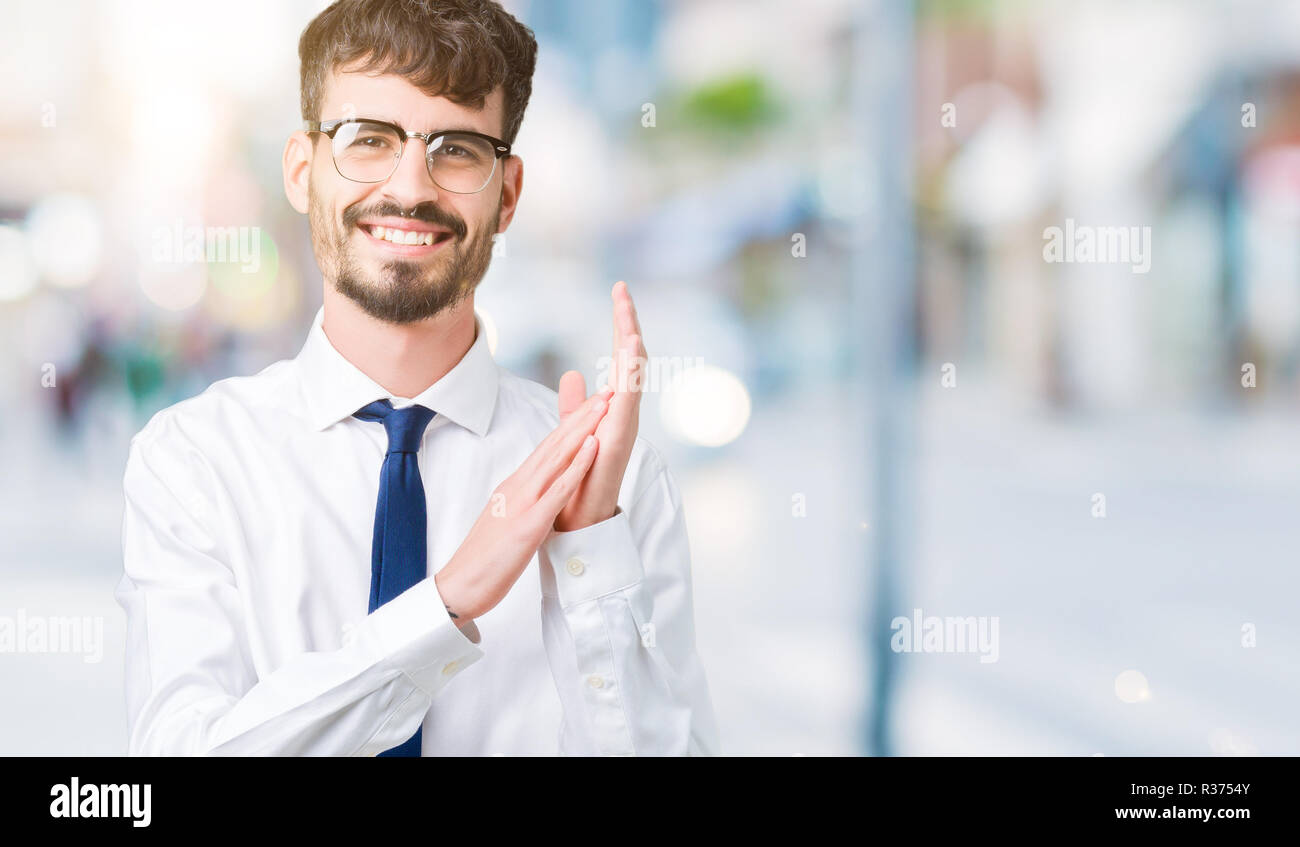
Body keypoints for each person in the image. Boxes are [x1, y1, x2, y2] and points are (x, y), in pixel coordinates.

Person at [115, 0, 719, 756]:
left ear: (507, 193)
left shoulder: (617, 488)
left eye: (458, 149)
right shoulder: (193, 462)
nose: (411, 186)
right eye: (368, 140)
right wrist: (445, 602)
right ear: (303, 170)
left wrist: (589, 556)